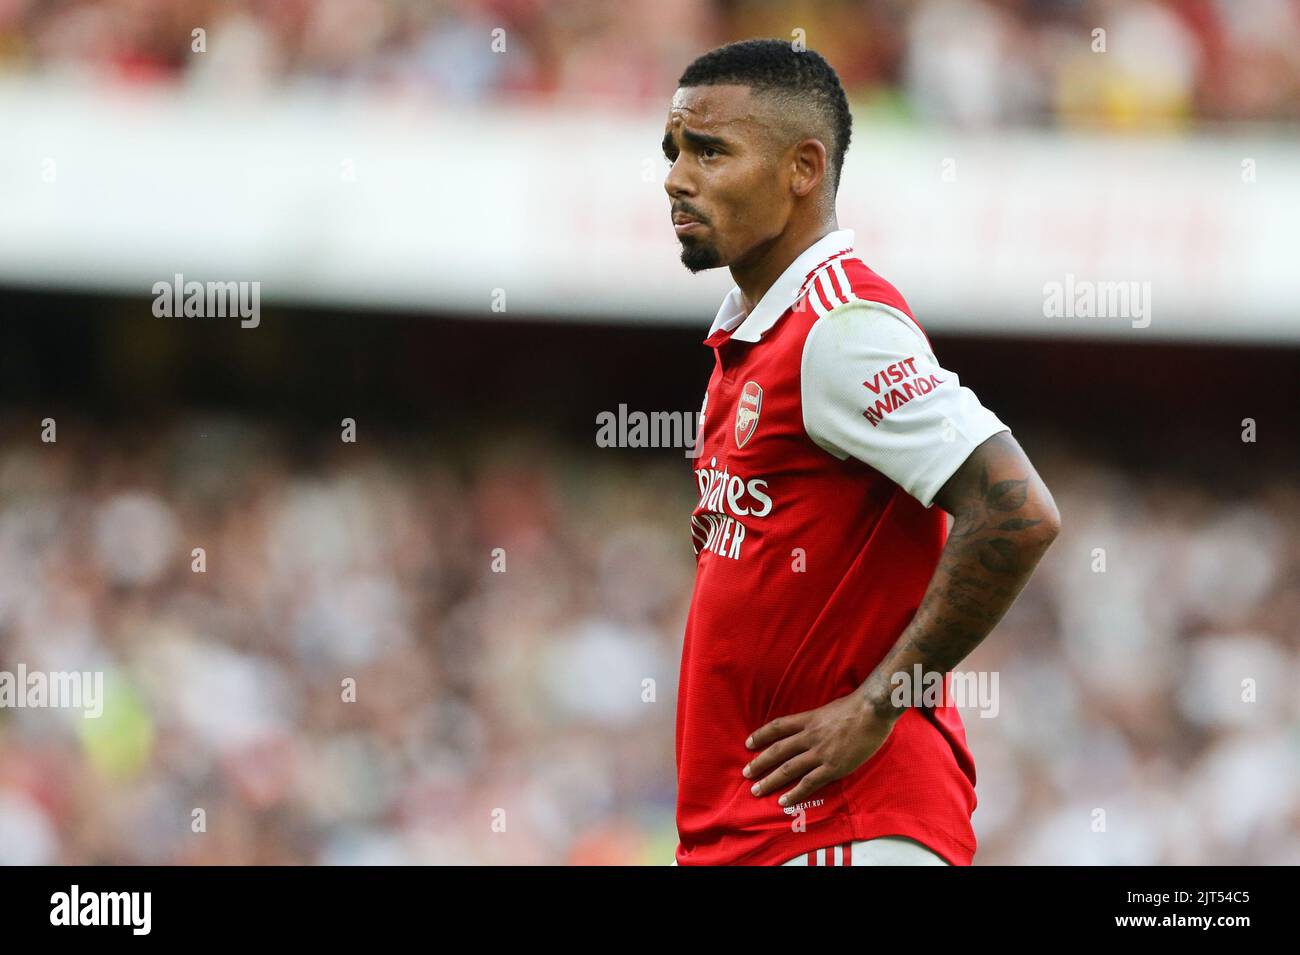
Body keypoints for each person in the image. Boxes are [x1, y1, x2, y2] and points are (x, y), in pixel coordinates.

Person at [664, 39, 1060, 866]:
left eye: (710, 151)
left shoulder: (838, 329)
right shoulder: (753, 334)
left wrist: (881, 701)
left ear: (802, 168)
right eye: (672, 151)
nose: (676, 177)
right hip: (764, 827)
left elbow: (1016, 509)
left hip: (846, 825)